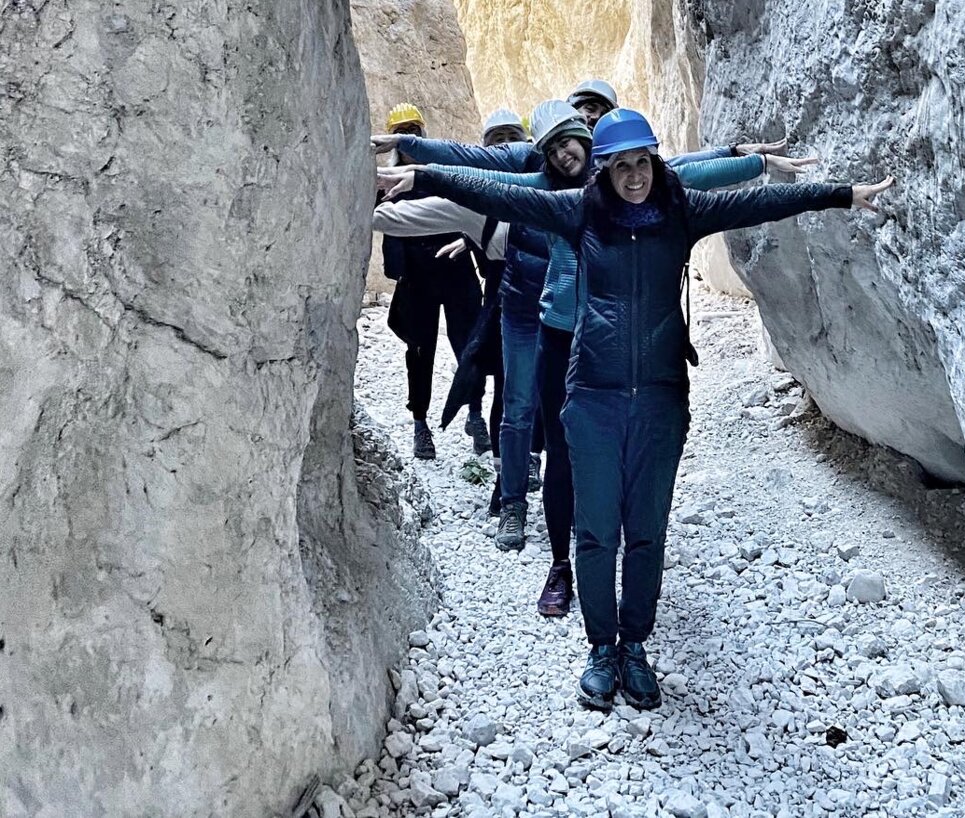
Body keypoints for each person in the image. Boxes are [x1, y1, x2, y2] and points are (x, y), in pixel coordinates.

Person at [379, 108, 894, 711]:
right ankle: (601, 648)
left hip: (660, 399)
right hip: (592, 398)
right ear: (604, 168)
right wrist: (426, 175)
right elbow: (497, 190)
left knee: (646, 533)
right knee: (595, 534)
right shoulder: (579, 211)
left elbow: (762, 204)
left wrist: (843, 194)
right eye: (620, 165)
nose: (633, 177)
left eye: (641, 162)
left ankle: (634, 646)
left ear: (653, 159)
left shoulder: (684, 211)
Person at [376, 100, 810, 619]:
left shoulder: (619, 186)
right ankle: (554, 555)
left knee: (603, 456)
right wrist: (417, 164)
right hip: (548, 327)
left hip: (598, 344)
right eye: (554, 144)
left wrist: (751, 161)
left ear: (592, 144)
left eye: (574, 139)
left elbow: (687, 171)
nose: (564, 153)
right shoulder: (543, 189)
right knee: (546, 443)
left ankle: (611, 565)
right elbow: (472, 171)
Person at [379, 103, 489, 459]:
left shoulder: (442, 173)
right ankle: (420, 424)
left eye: (412, 130)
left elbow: (478, 213)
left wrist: (469, 242)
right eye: (401, 131)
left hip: (457, 270)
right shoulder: (386, 180)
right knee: (419, 351)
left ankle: (475, 414)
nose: (407, 137)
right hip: (416, 278)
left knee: (471, 347)